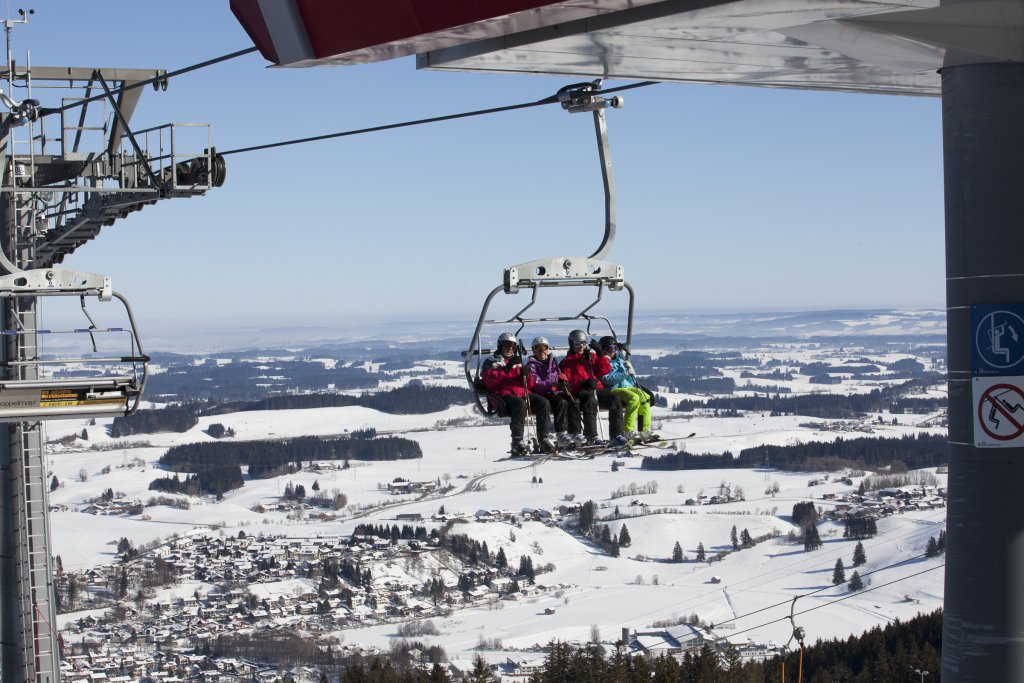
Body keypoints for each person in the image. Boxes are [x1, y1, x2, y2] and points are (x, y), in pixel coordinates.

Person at [482, 332, 555, 455]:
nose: (510, 349)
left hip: (521, 391)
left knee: (544, 402)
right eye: (507, 346)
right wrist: (507, 369)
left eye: (513, 346)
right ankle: (517, 441)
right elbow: (489, 380)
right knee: (520, 404)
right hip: (502, 393)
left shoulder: (518, 361)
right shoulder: (492, 361)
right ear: (500, 346)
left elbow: (530, 385)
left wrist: (527, 374)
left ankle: (543, 439)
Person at [559, 329, 625, 446]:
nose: (580, 346)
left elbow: (604, 370)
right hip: (581, 390)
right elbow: (568, 383)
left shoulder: (591, 357)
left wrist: (600, 354)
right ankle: (591, 436)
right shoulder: (566, 362)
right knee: (590, 400)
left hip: (596, 388)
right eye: (577, 344)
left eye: (583, 343)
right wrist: (583, 383)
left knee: (614, 399)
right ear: (571, 344)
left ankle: (616, 435)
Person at [598, 335, 657, 442]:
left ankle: (645, 430)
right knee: (634, 398)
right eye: (608, 349)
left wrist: (630, 376)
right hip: (613, 389)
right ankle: (628, 431)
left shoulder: (619, 359)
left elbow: (627, 377)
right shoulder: (603, 362)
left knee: (645, 396)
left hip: (626, 386)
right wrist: (625, 374)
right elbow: (606, 379)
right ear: (603, 350)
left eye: (614, 348)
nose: (612, 351)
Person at [526, 336, 575, 448]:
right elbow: (535, 382)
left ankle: (561, 434)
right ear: (534, 350)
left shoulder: (554, 363)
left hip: (552, 394)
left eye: (544, 348)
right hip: (540, 395)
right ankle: (543, 437)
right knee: (545, 404)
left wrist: (563, 381)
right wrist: (551, 385)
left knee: (562, 402)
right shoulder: (532, 365)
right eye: (538, 349)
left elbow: (558, 377)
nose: (542, 351)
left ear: (548, 349)